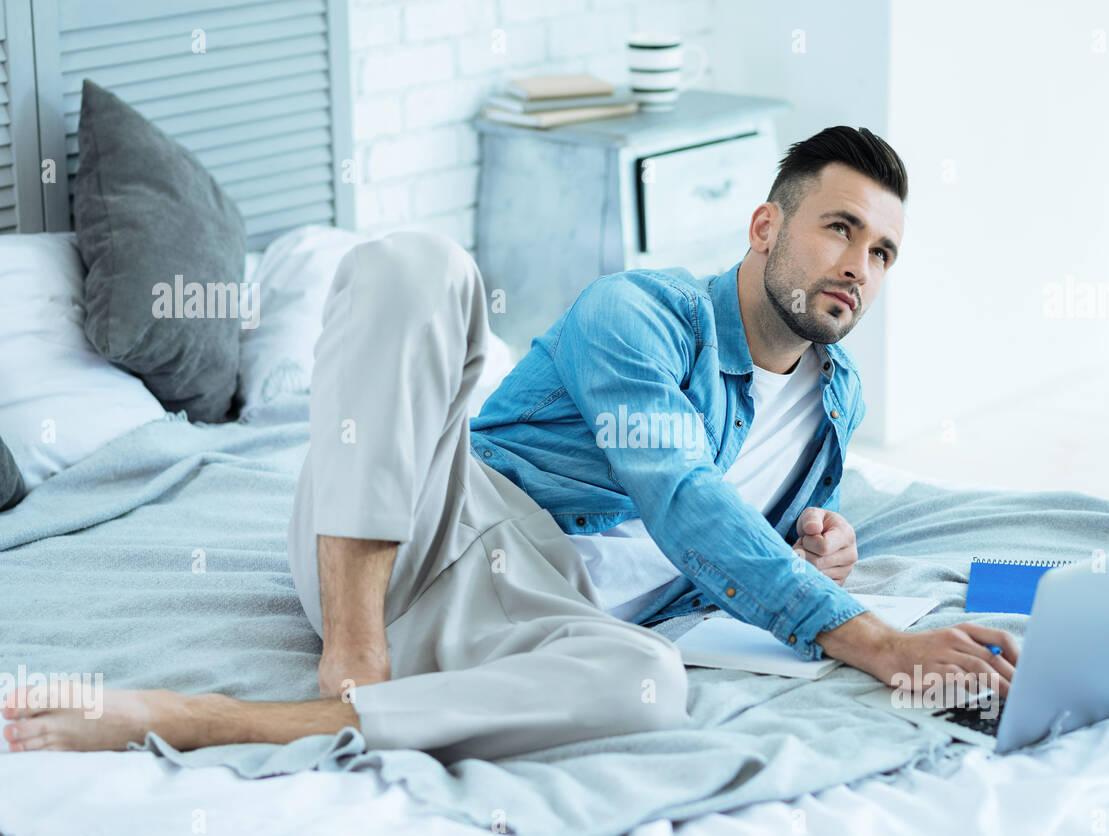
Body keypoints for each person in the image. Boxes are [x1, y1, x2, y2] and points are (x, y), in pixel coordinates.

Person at [2, 126, 1016, 755]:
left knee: (648, 685)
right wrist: (870, 638)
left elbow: (733, 524)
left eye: (881, 250)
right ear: (763, 227)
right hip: (431, 537)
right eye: (838, 229)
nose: (860, 265)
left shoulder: (836, 403)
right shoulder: (641, 313)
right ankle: (348, 664)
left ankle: (208, 719)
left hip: (544, 620)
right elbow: (680, 491)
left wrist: (813, 541)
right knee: (418, 262)